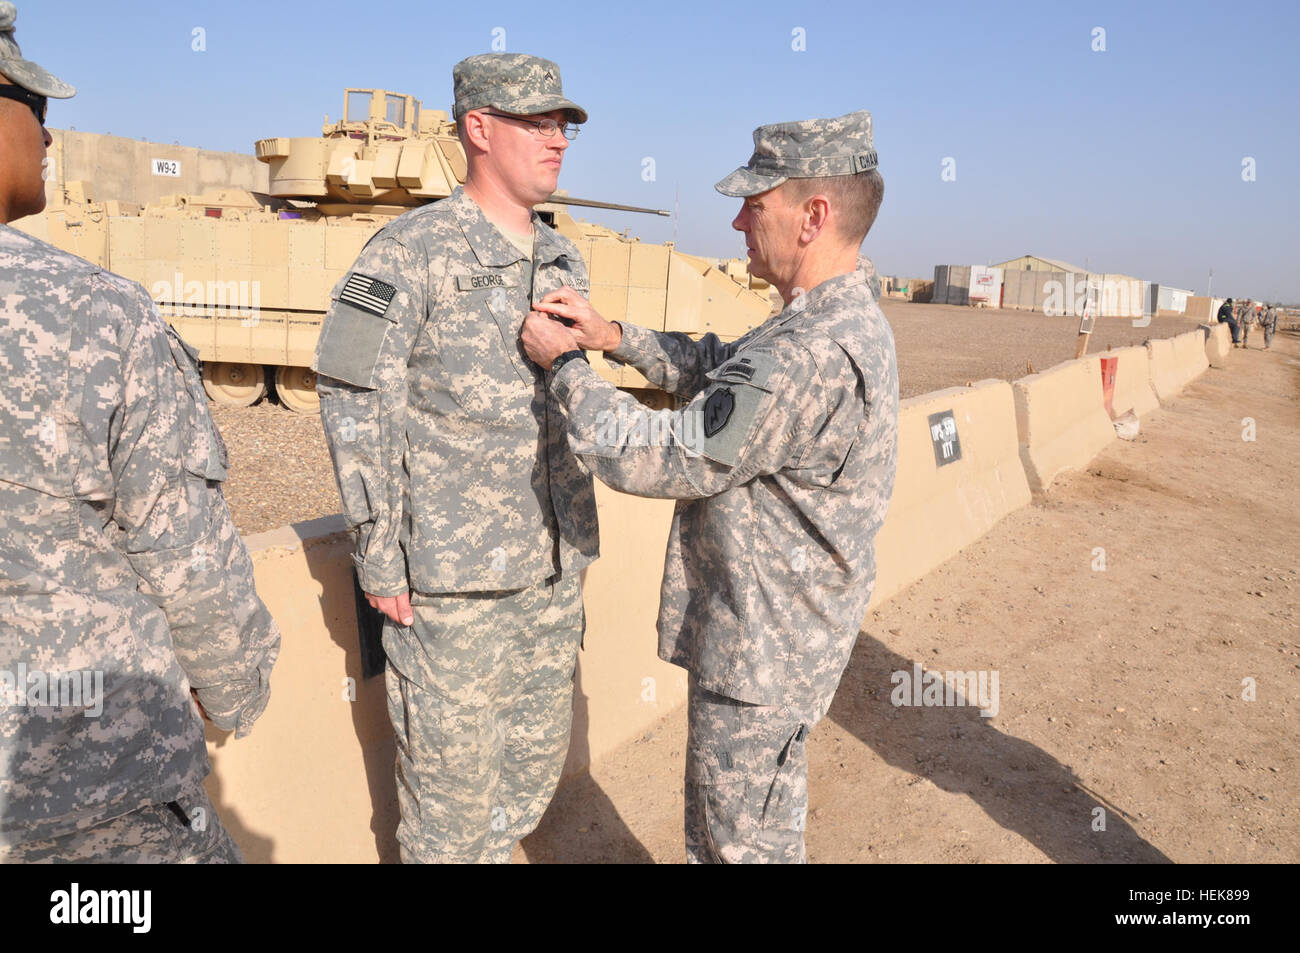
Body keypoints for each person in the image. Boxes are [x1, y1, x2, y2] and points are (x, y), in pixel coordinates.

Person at [521, 110, 898, 863]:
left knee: (736, 849)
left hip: (763, 654)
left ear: (813, 216)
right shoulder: (823, 322)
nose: (736, 219)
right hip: (777, 645)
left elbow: (659, 454)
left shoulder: (812, 353)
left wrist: (564, 367)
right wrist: (614, 337)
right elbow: (725, 369)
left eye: (755, 205)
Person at [0, 2, 280, 863]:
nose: (50, 137)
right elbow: (186, 553)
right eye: (35, 108)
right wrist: (232, 690)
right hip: (78, 801)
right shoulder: (91, 310)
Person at [313, 53, 598, 864]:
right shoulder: (407, 253)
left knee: (525, 787)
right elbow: (356, 405)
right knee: (448, 818)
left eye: (564, 124)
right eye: (537, 123)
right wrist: (379, 555)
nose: (558, 139)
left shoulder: (564, 259)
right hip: (452, 588)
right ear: (479, 127)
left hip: (551, 576)